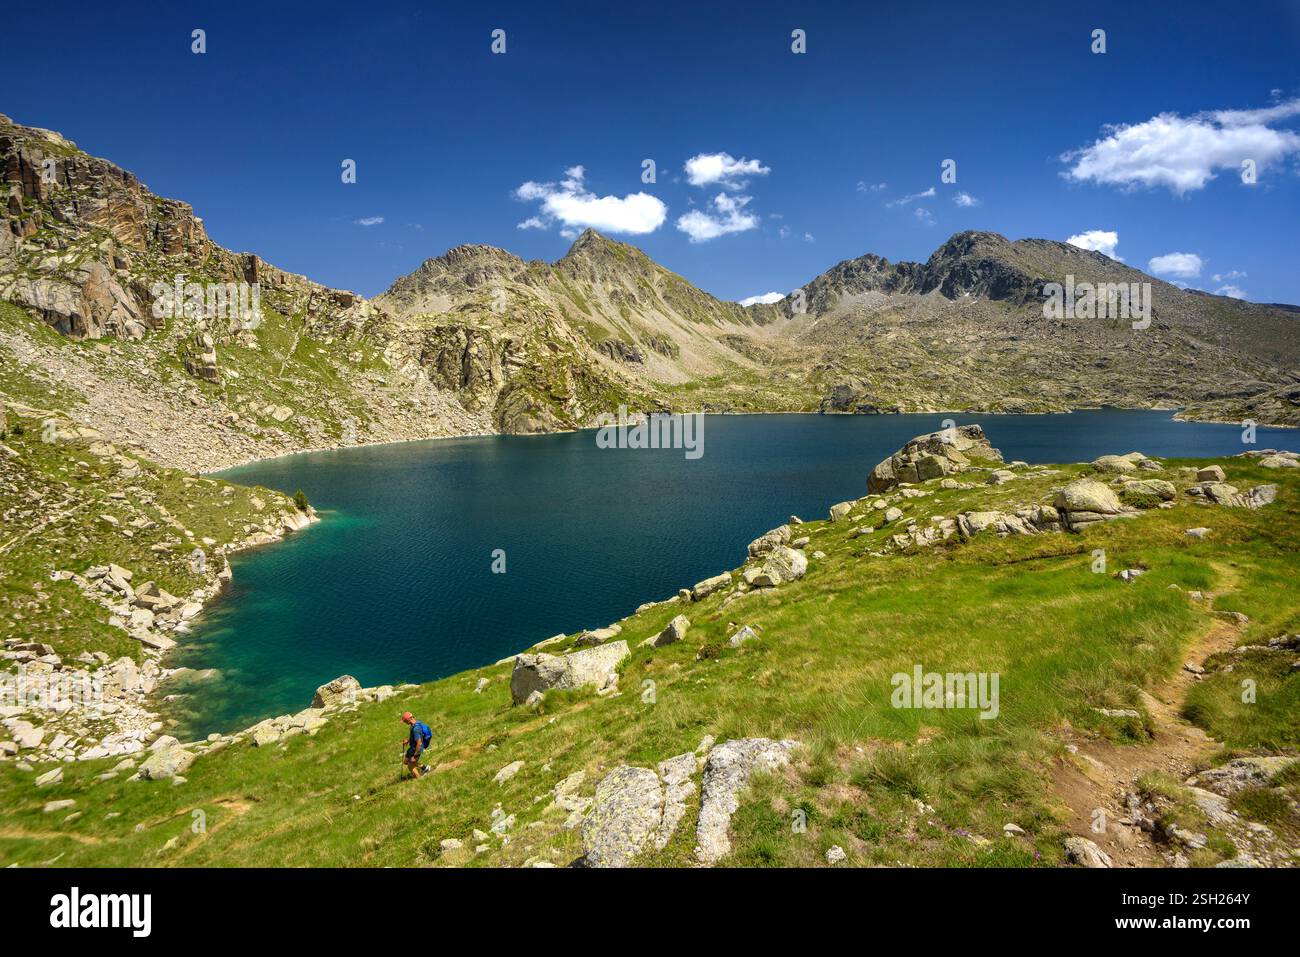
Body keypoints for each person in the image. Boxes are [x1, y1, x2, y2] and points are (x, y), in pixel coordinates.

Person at [400, 711, 432, 779]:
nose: (405, 723)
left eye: (405, 721)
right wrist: (408, 741)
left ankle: (419, 779)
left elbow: (419, 742)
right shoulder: (414, 724)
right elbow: (415, 736)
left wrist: (415, 755)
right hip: (412, 747)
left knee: (410, 765)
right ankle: (424, 768)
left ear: (408, 719)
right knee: (406, 761)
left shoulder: (416, 729)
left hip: (416, 748)